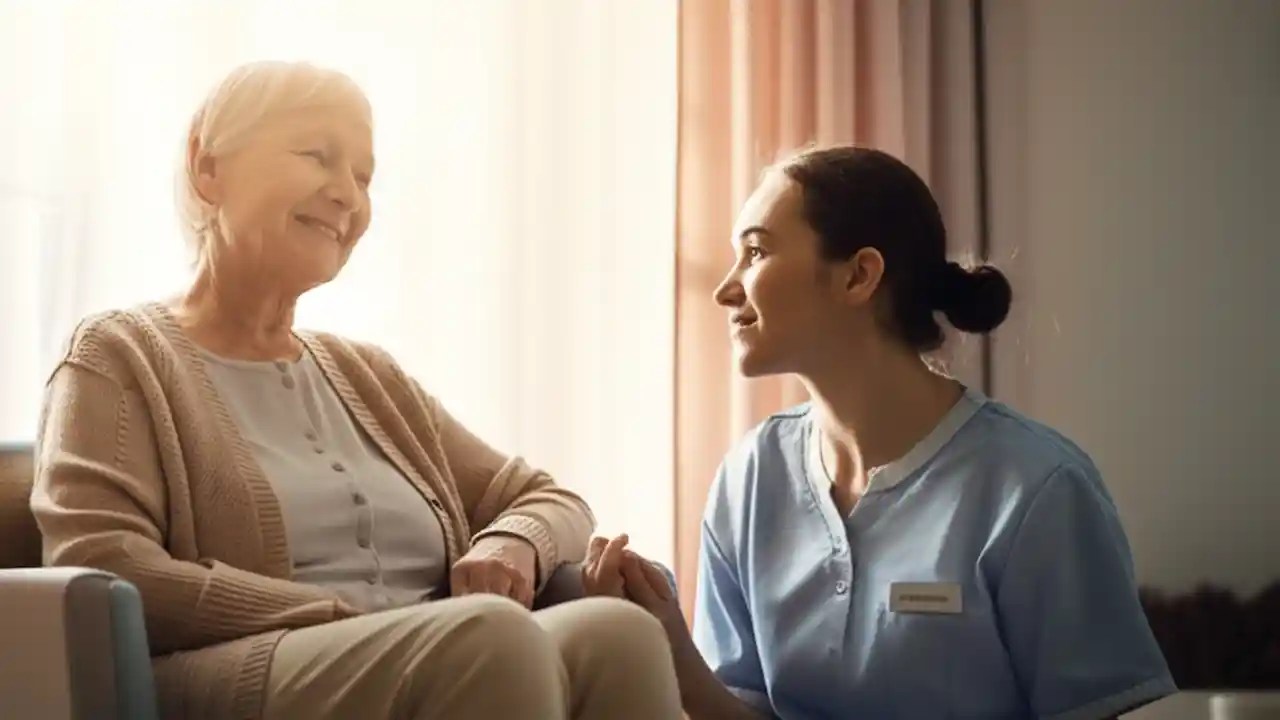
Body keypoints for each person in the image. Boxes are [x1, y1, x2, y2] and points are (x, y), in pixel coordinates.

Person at [30, 60, 682, 720]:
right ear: (208, 167)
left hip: (445, 646)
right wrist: (338, 615)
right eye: (318, 156)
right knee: (488, 638)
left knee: (616, 634)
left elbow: (550, 497)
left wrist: (511, 541)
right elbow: (105, 563)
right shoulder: (117, 355)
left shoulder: (369, 377)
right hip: (236, 669)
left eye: (364, 177)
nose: (347, 195)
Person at [584, 146, 1175, 719]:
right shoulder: (751, 479)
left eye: (757, 252)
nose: (726, 288)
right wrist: (669, 648)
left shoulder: (1038, 489)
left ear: (859, 276)